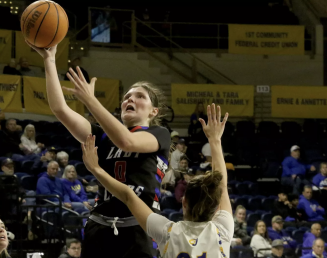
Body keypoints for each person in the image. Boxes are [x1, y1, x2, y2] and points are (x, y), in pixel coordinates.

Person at [31, 43, 174, 257]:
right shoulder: (103, 136)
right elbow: (60, 109)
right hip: (100, 225)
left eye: (139, 96)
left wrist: (90, 100)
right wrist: (50, 60)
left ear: (154, 111)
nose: (130, 99)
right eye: (127, 96)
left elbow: (127, 142)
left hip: (139, 227)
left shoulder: (159, 133)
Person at [80, 104, 233, 257]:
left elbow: (128, 195)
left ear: (184, 202)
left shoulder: (168, 232)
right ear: (215, 207)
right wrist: (215, 140)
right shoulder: (223, 230)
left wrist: (96, 168)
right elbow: (223, 187)